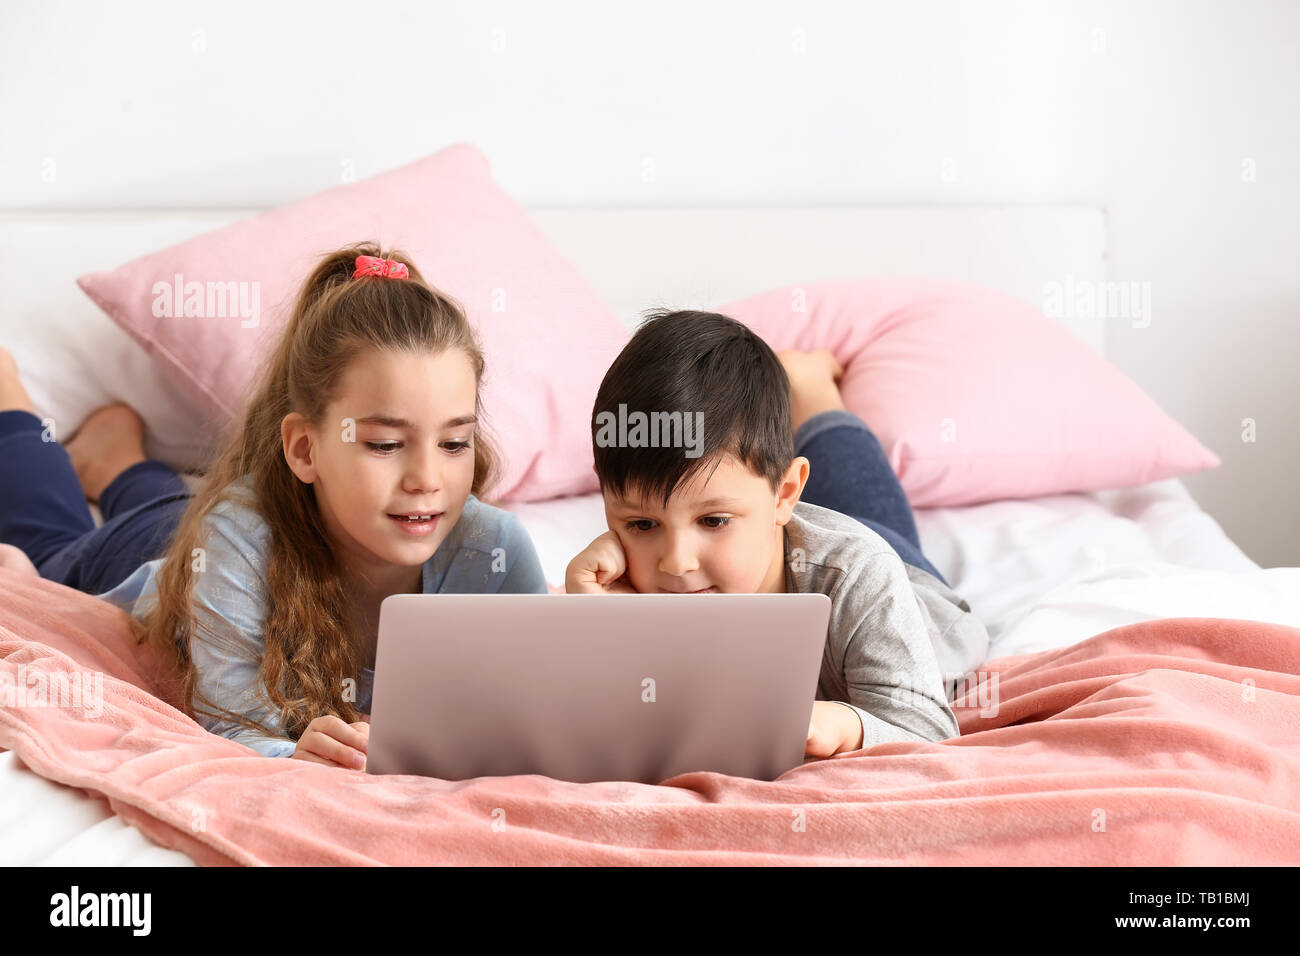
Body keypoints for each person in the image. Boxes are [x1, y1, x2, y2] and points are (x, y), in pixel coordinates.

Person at [0, 245, 547, 768]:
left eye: (454, 444)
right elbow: (234, 724)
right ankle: (13, 402)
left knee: (167, 507)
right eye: (384, 444)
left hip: (188, 526)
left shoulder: (494, 553)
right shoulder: (238, 537)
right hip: (146, 563)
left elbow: (534, 715)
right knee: (45, 551)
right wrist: (295, 755)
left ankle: (117, 459)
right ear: (305, 449)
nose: (429, 480)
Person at [565, 310, 989, 758]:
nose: (675, 562)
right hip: (793, 534)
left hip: (899, 577)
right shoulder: (618, 583)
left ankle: (811, 388)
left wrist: (845, 723)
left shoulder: (861, 576)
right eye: (642, 524)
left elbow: (929, 733)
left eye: (713, 521)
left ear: (785, 492)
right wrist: (604, 631)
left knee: (865, 504)